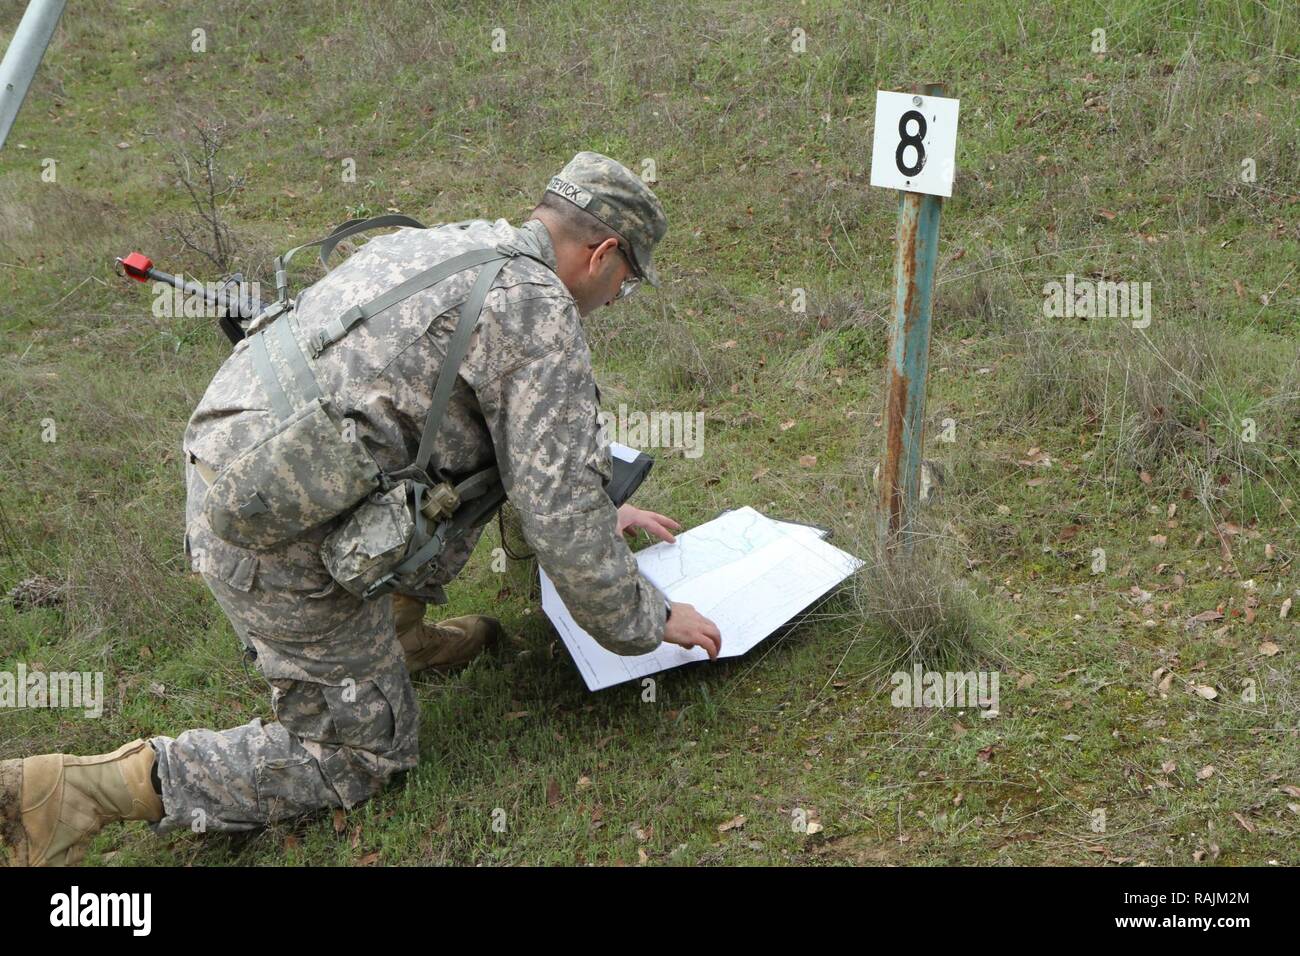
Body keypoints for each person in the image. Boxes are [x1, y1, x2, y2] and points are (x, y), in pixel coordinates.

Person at [1, 151, 722, 867]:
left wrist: (599, 505)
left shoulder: (444, 241)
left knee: (445, 464)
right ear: (601, 254)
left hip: (234, 465)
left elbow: (520, 461)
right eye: (625, 284)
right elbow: (560, 519)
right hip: (272, 540)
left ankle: (394, 638)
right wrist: (651, 619)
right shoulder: (537, 313)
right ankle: (80, 791)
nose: (614, 299)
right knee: (362, 756)